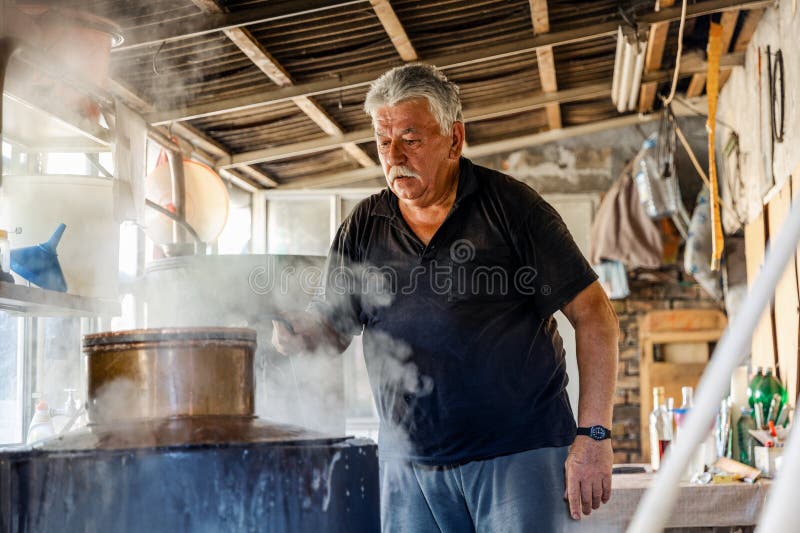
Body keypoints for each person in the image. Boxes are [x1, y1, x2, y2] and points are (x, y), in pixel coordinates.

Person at [272, 63, 619, 532]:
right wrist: (300, 332)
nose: (393, 155)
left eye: (411, 139)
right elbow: (332, 330)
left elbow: (595, 315)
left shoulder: (512, 209)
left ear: (455, 139)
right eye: (382, 140)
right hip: (408, 466)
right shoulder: (363, 226)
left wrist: (594, 435)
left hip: (519, 456)